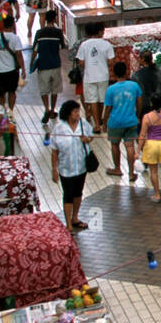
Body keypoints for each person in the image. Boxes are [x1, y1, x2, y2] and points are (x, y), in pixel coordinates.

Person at [51, 100, 94, 231]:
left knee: (78, 193)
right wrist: (54, 169)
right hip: (66, 168)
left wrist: (87, 139)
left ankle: (75, 217)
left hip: (81, 166)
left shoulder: (83, 124)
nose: (77, 114)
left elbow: (91, 136)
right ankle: (68, 224)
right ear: (68, 113)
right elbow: (54, 150)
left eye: (78, 111)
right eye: (75, 111)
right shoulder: (59, 128)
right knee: (68, 194)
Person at [103, 61, 142, 182]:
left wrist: (104, 123)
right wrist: (137, 115)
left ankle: (117, 168)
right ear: (126, 72)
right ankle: (131, 173)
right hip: (130, 121)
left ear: (113, 73)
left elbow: (108, 108)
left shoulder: (111, 89)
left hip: (115, 122)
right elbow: (139, 102)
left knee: (115, 145)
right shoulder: (134, 86)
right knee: (130, 146)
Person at [76, 24, 115, 133]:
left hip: (89, 76)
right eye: (102, 31)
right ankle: (101, 120)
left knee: (92, 100)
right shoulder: (107, 44)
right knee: (102, 99)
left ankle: (96, 124)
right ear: (98, 32)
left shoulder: (84, 45)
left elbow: (81, 62)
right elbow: (111, 61)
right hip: (103, 76)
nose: (103, 33)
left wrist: (89, 66)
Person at [137, 93, 161, 203]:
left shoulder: (147, 117)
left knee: (153, 171)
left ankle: (157, 195)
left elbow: (142, 135)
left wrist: (138, 151)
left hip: (151, 144)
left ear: (152, 104)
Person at [31, 9, 66, 124]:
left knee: (44, 90)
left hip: (43, 65)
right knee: (54, 89)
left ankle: (46, 108)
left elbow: (35, 50)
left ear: (45, 19)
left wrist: (31, 63)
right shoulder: (58, 32)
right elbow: (61, 47)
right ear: (55, 18)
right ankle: (52, 110)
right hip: (55, 64)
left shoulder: (39, 32)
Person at [0, 14, 25, 112]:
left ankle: (2, 110)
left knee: (0, 93)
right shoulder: (15, 38)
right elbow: (19, 55)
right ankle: (11, 111)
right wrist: (23, 69)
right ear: (13, 25)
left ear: (3, 24)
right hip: (12, 71)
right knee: (12, 92)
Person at [131, 47, 161, 121]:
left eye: (139, 58)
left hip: (145, 107)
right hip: (159, 105)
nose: (138, 60)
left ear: (143, 59)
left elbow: (136, 95)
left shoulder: (136, 75)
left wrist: (137, 113)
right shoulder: (160, 72)